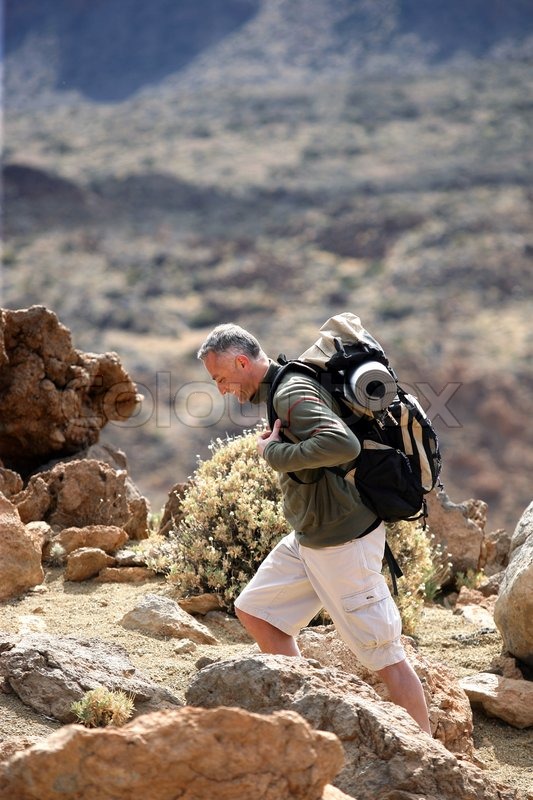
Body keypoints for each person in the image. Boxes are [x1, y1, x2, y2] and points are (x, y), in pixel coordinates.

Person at [197, 322, 431, 735]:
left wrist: (275, 453)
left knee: (387, 658)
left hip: (343, 542)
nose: (221, 389)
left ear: (241, 362)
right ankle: (307, 727)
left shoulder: (289, 392)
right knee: (258, 612)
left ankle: (427, 760)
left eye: (220, 378)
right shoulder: (278, 390)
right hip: (310, 537)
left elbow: (343, 444)